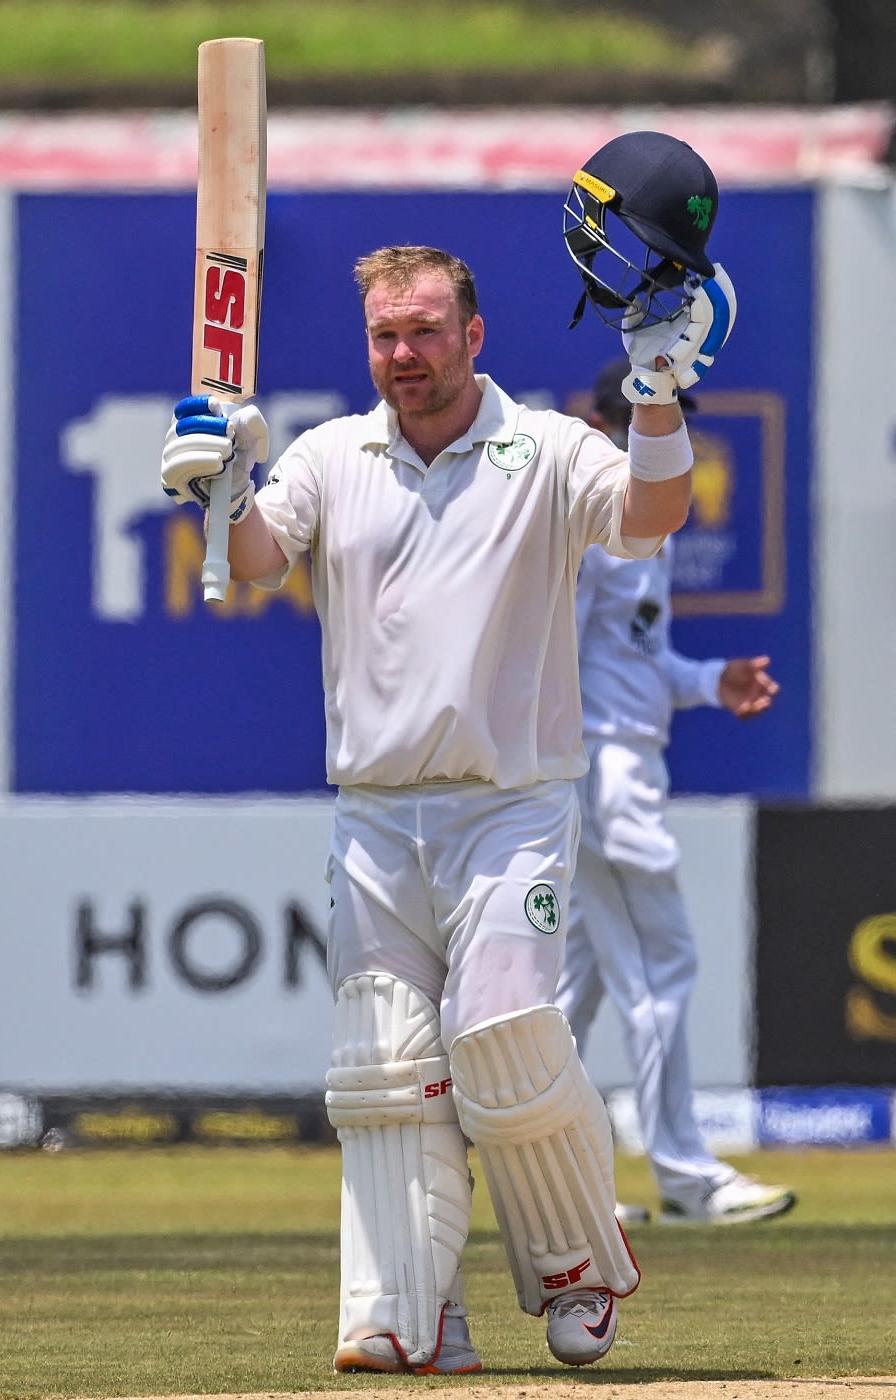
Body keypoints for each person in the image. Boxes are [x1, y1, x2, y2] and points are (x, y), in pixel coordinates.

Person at [161, 132, 736, 1374]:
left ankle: (580, 1270)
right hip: (373, 815)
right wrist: (215, 481)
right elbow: (254, 557)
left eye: (424, 329)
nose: (403, 354)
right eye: (384, 334)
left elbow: (651, 517)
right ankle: (409, 1312)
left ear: (473, 334)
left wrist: (653, 397)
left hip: (511, 804)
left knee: (506, 1033)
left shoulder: (546, 451)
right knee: (385, 1068)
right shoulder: (327, 455)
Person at [555, 356, 797, 1226]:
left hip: (614, 758)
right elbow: (550, 656)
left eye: (668, 415)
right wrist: (568, 769)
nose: (660, 430)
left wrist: (707, 682)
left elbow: (635, 659)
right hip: (600, 769)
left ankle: (553, 1182)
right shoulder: (588, 522)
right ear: (597, 425)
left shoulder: (639, 530)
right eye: (638, 417)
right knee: (661, 968)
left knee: (568, 997)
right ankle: (687, 1176)